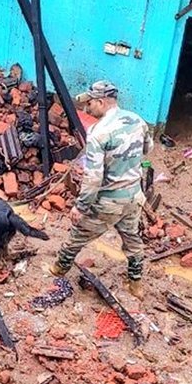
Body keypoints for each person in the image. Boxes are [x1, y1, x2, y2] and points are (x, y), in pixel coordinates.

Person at [50, 81, 154, 293]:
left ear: (100, 101)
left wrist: (80, 206)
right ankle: (136, 285)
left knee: (77, 235)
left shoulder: (99, 132)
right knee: (133, 240)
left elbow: (94, 177)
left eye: (90, 103)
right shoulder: (137, 120)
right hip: (134, 195)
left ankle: (58, 268)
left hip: (110, 200)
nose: (87, 107)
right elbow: (147, 149)